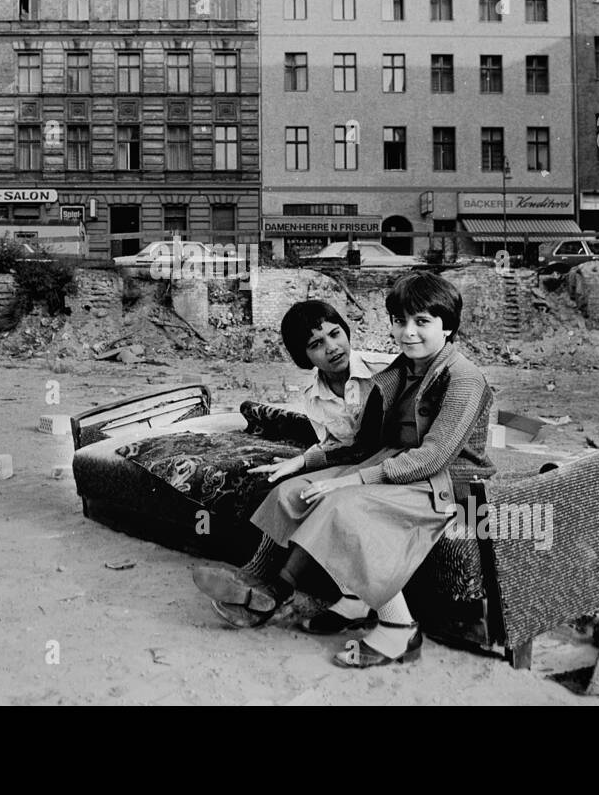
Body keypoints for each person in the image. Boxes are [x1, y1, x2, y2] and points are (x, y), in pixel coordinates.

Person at [195, 271, 495, 668]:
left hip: (445, 481)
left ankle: (400, 630)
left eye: (422, 321)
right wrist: (308, 463)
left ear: (448, 326)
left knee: (343, 505)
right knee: (294, 492)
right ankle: (286, 591)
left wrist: (354, 480)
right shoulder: (404, 369)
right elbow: (361, 443)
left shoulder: (463, 378)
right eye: (400, 321)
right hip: (391, 463)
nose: (408, 332)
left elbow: (433, 457)